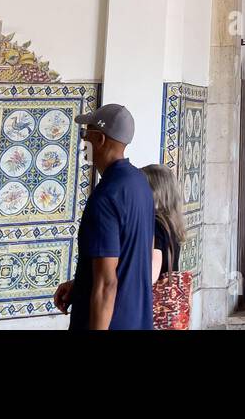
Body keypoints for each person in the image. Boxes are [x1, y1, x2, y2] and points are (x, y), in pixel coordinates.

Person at [52, 103, 154, 330]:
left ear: (100, 139)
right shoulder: (140, 184)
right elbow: (132, 257)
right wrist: (81, 284)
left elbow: (107, 284)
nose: (83, 141)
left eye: (85, 134)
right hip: (136, 320)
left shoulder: (106, 197)